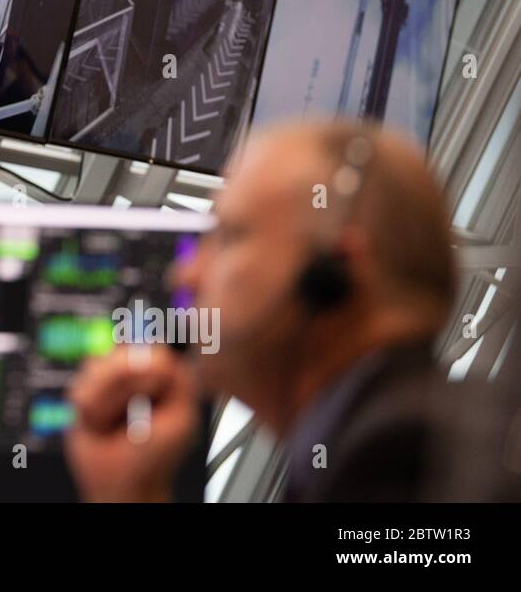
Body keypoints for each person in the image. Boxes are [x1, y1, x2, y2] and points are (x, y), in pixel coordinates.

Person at [66, 121, 521, 502]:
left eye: (229, 236)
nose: (184, 276)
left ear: (330, 276)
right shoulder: (379, 445)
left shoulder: (402, 463)